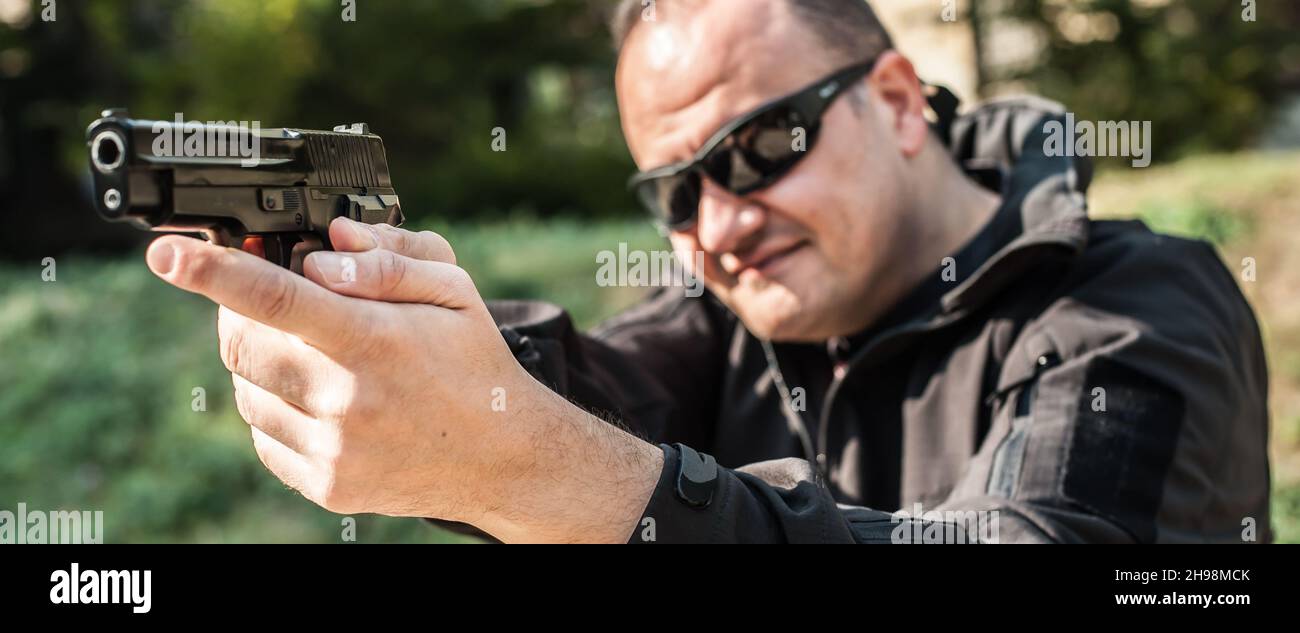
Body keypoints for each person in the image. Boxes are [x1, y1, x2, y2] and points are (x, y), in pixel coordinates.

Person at [143, 0, 1271, 543]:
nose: (718, 222)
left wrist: (550, 475)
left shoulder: (1131, 306)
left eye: (758, 149)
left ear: (890, 99)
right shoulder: (732, 307)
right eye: (673, 192)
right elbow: (569, 399)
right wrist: (407, 335)